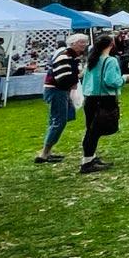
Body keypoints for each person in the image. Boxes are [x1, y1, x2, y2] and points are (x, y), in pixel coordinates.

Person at [37, 33, 87, 163]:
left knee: (57, 120)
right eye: (81, 42)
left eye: (85, 42)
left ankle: (46, 151)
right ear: (73, 43)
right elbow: (62, 78)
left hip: (59, 90)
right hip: (56, 90)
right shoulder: (65, 56)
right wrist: (78, 77)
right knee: (59, 121)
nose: (84, 45)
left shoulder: (72, 56)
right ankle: (44, 153)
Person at [79, 33, 123, 173]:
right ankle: (87, 162)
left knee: (91, 129)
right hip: (104, 98)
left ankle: (90, 157)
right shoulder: (110, 61)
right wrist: (123, 79)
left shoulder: (92, 60)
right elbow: (110, 80)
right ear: (111, 44)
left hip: (90, 97)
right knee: (96, 131)